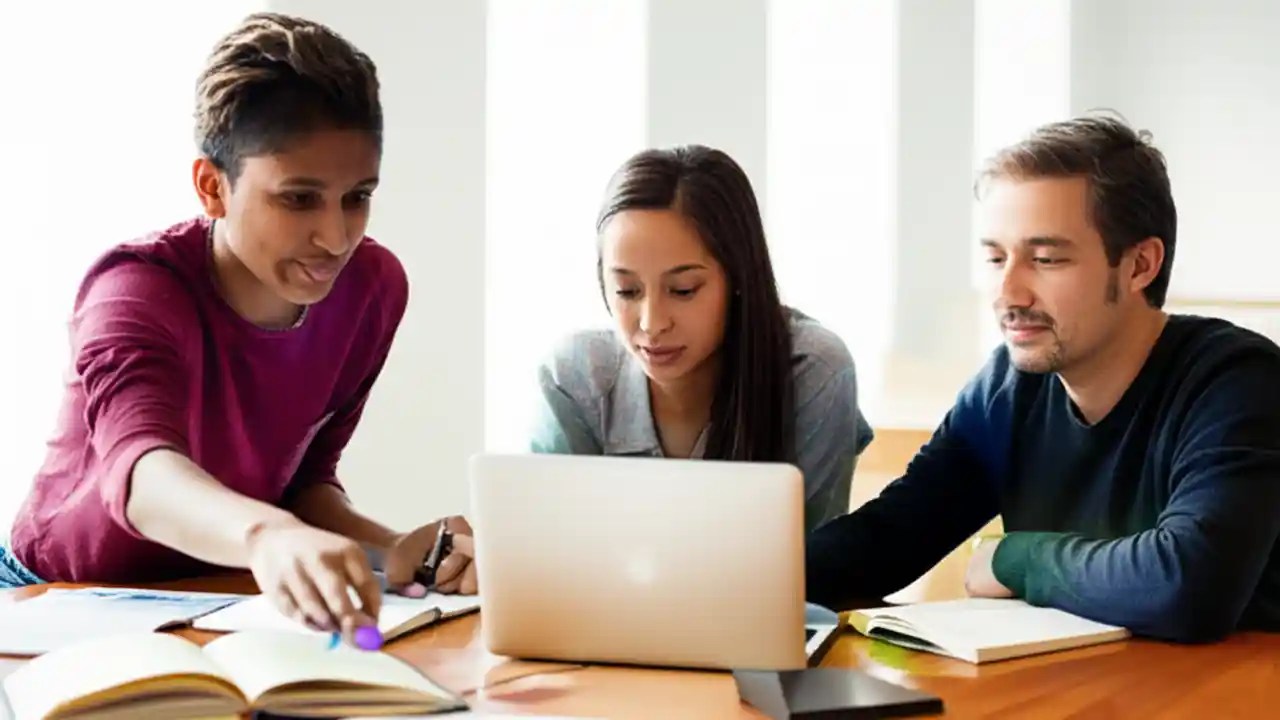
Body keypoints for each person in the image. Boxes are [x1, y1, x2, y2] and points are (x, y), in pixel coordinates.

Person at [0, 12, 476, 642]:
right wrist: (270, 536)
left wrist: (394, 550)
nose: (336, 238)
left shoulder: (374, 288)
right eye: (299, 198)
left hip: (220, 598)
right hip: (55, 603)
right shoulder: (133, 290)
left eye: (357, 196)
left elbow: (302, 485)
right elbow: (140, 473)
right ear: (212, 187)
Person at [805, 115, 1280, 642]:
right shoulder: (1007, 390)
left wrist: (1016, 557)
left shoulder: (1237, 383)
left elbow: (1189, 585)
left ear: (1140, 264)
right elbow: (886, 540)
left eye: (1046, 259)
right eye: (995, 258)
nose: (1009, 292)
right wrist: (733, 584)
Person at [531, 145, 874, 532]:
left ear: (739, 278)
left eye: (683, 289)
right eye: (627, 290)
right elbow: (548, 541)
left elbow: (813, 568)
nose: (652, 323)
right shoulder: (574, 375)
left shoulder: (814, 370)